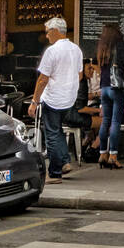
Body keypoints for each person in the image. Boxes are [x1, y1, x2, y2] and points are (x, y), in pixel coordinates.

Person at [28, 17, 83, 183]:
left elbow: (43, 79)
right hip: (70, 98)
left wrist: (34, 102)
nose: (46, 36)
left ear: (55, 31)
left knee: (52, 134)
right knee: (57, 130)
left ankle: (54, 173)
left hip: (53, 98)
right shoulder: (76, 49)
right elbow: (79, 75)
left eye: (47, 32)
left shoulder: (52, 51)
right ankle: (65, 161)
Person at [96, 23, 124, 169]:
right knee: (115, 121)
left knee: (105, 120)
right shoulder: (119, 44)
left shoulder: (102, 47)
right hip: (116, 88)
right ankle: (113, 155)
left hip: (104, 87)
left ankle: (102, 154)